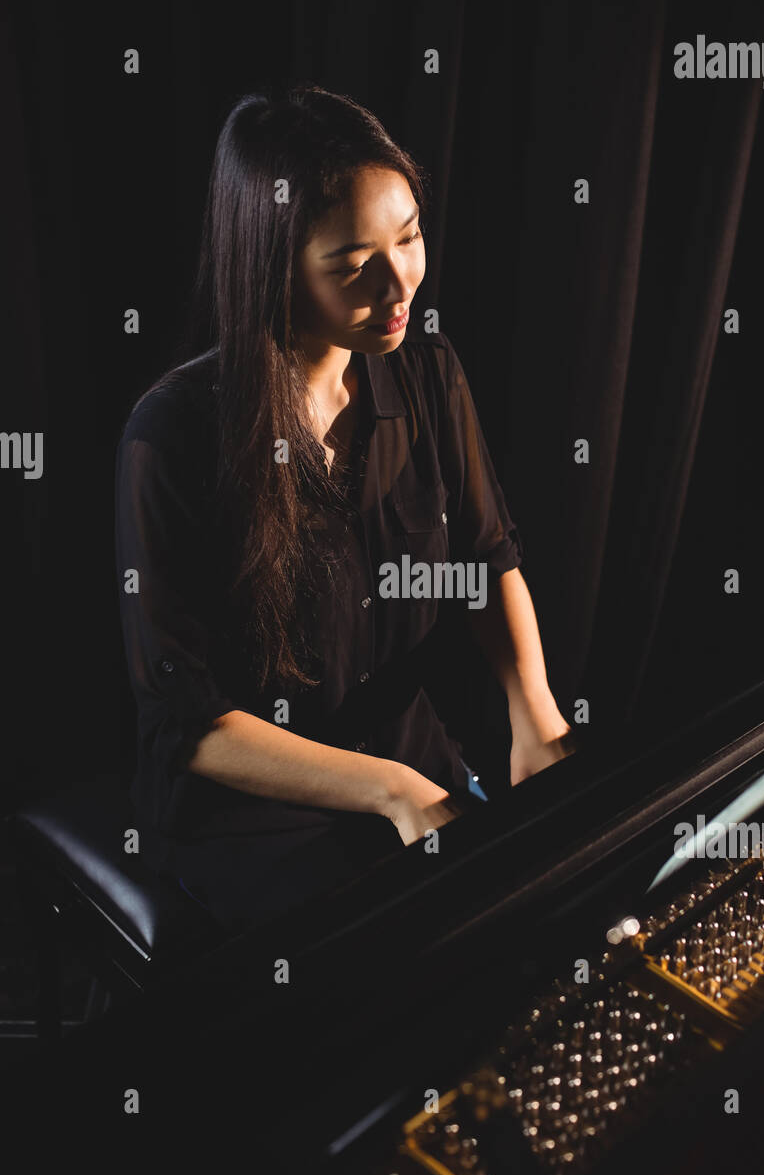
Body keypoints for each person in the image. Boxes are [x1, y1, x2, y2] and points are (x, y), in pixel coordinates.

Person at [114, 83, 574, 937]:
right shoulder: (172, 435)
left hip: (410, 762)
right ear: (274, 268)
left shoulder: (429, 373)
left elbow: (488, 559)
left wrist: (535, 713)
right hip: (257, 812)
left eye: (410, 237)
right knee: (411, 964)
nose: (400, 283)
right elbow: (190, 722)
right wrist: (389, 791)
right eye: (355, 265)